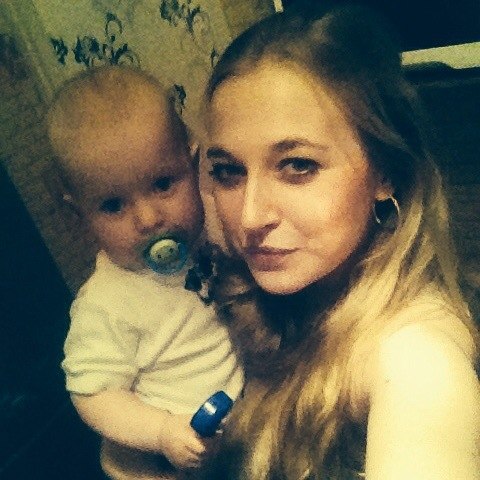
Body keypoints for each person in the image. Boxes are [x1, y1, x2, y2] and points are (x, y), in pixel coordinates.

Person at [200, 5, 480, 479]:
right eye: (228, 171)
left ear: (385, 172)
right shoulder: (285, 297)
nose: (249, 217)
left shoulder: (418, 362)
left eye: (298, 166)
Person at [46, 65, 243, 480]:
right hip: (190, 451)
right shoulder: (106, 304)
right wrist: (162, 432)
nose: (149, 218)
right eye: (113, 205)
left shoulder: (210, 231)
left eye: (163, 184)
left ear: (193, 164)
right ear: (80, 217)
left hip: (249, 412)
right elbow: (93, 393)